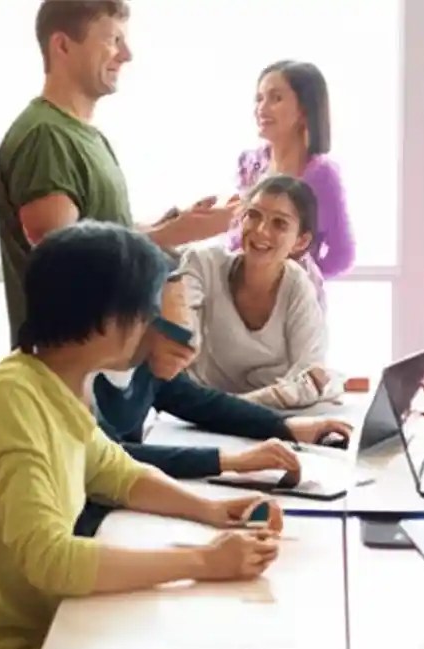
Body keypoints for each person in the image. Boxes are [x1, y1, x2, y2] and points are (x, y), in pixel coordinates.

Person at [0, 222, 284, 649]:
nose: (150, 322)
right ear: (106, 318)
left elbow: (117, 472)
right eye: (144, 308)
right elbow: (50, 559)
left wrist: (212, 511)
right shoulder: (12, 398)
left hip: (41, 632)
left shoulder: (55, 383)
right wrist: (203, 562)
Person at [0, 0, 236, 346]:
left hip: (101, 369)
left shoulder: (84, 135)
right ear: (62, 45)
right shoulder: (46, 137)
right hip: (66, 371)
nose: (127, 55)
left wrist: (173, 224)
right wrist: (171, 235)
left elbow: (101, 230)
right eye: (113, 40)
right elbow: (69, 261)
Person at [74, 277, 353, 536]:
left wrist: (284, 426)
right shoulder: (83, 377)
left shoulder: (146, 365)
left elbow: (202, 402)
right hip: (89, 518)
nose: (188, 346)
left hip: (126, 504)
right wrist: (229, 461)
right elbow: (109, 459)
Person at [181, 175, 342, 410]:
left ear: (301, 241)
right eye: (253, 215)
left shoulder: (298, 286)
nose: (261, 231)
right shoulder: (204, 265)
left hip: (266, 417)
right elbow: (177, 345)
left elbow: (310, 378)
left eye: (280, 223)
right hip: (200, 420)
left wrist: (232, 408)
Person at [229, 60, 355, 305]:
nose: (262, 109)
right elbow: (234, 236)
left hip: (295, 304)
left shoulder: (322, 175)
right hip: (241, 300)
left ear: (304, 110)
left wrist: (297, 277)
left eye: (275, 98)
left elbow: (342, 254)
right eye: (259, 98)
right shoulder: (249, 164)